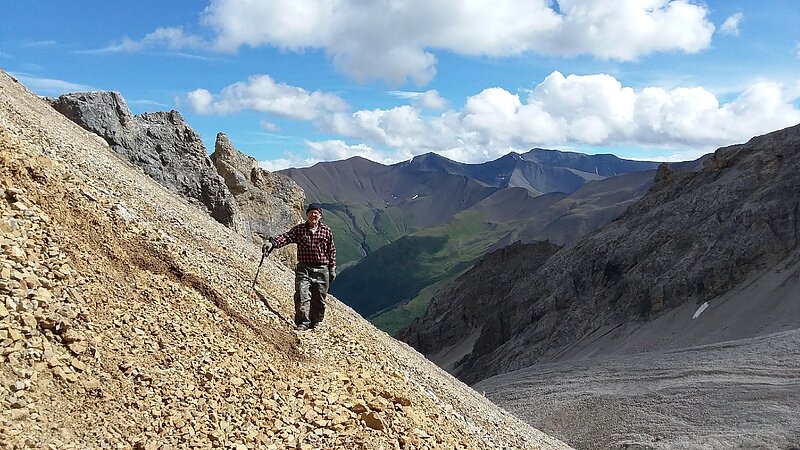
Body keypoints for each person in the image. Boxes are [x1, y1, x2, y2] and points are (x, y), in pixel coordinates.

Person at [263, 203, 336, 331]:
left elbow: (331, 250)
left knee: (319, 297)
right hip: (304, 268)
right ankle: (303, 322)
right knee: (302, 295)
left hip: (322, 268)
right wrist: (272, 243)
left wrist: (332, 268)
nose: (313, 215)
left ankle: (316, 321)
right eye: (311, 212)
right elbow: (286, 237)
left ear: (320, 215)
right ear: (307, 214)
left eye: (316, 213)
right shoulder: (299, 230)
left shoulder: (326, 230)